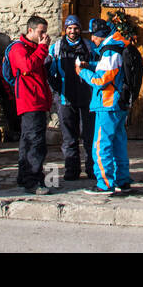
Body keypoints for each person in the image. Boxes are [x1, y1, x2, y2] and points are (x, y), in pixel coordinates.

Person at [76, 17, 132, 196]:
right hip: (118, 104)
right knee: (118, 143)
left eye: (94, 36)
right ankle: (122, 180)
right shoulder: (117, 47)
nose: (92, 39)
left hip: (107, 104)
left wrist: (82, 71)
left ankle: (104, 183)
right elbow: (108, 70)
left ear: (100, 35)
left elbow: (100, 80)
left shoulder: (110, 52)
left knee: (101, 145)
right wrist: (91, 65)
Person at [7, 16, 52, 194]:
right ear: (30, 30)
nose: (44, 36)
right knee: (35, 143)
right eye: (41, 32)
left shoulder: (33, 48)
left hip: (37, 101)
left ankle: (24, 177)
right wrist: (42, 49)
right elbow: (27, 66)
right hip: (30, 101)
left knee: (28, 141)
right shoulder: (19, 48)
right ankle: (32, 180)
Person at [48, 15, 95, 181]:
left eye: (75, 28)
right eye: (69, 28)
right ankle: (71, 170)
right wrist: (55, 88)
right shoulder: (57, 47)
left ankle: (91, 168)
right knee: (69, 137)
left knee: (89, 135)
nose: (73, 31)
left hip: (86, 96)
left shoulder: (89, 46)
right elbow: (50, 69)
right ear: (65, 29)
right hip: (65, 97)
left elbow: (97, 64)